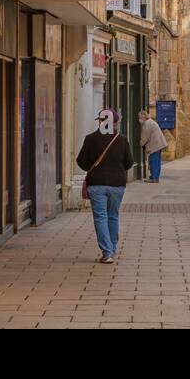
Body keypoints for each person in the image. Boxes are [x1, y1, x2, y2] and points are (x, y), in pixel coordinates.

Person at [76, 108, 134, 264]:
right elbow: (129, 162)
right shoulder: (121, 140)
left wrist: (93, 168)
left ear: (100, 121)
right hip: (117, 184)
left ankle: (107, 252)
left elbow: (80, 161)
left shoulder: (90, 139)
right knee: (113, 216)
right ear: (115, 123)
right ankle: (112, 248)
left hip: (96, 184)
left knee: (100, 217)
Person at [139, 109, 168, 182]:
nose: (139, 119)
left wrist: (141, 144)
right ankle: (155, 177)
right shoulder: (151, 122)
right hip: (158, 144)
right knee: (156, 161)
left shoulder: (147, 124)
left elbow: (145, 137)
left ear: (144, 116)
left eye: (140, 117)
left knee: (153, 161)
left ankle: (154, 177)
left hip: (155, 145)